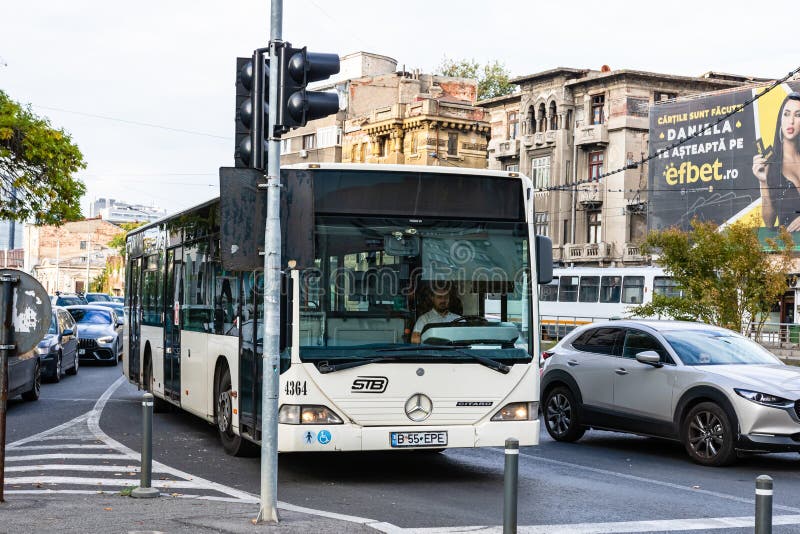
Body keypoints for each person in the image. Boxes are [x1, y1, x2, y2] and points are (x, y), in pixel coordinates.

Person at [754, 92, 800, 230]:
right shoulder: (772, 165)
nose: (791, 121)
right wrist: (763, 181)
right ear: (780, 119)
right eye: (786, 114)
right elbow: (769, 223)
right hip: (789, 246)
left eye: (798, 115)